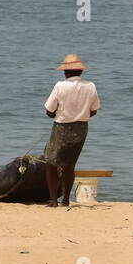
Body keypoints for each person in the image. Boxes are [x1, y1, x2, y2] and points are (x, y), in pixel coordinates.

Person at [42, 54, 100, 207]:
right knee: (69, 165)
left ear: (66, 72)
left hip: (62, 127)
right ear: (80, 72)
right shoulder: (91, 86)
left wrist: (59, 114)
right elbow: (94, 111)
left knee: (50, 163)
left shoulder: (60, 86)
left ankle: (54, 200)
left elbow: (49, 110)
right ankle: (66, 200)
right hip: (81, 128)